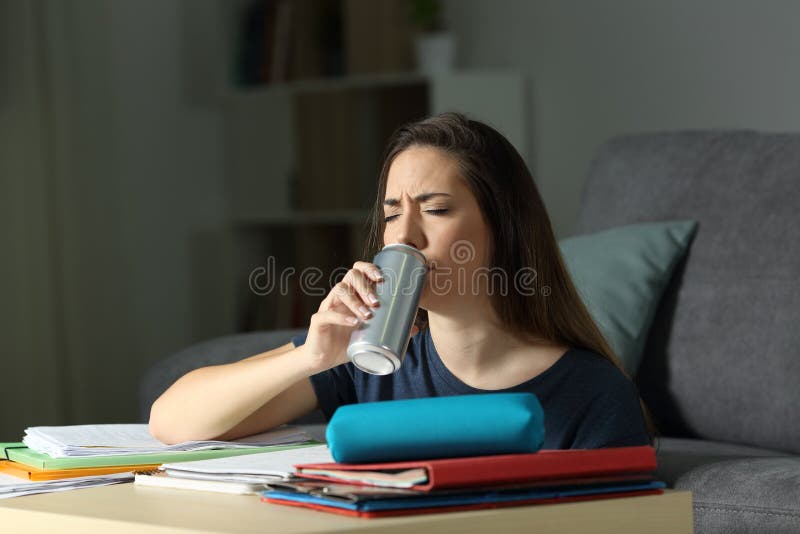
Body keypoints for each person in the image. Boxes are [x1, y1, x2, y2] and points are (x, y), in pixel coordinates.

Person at [149, 112, 652, 449]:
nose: (404, 236)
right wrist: (312, 357)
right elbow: (172, 421)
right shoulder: (370, 359)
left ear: (504, 228)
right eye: (392, 215)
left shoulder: (594, 394)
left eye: (435, 209)